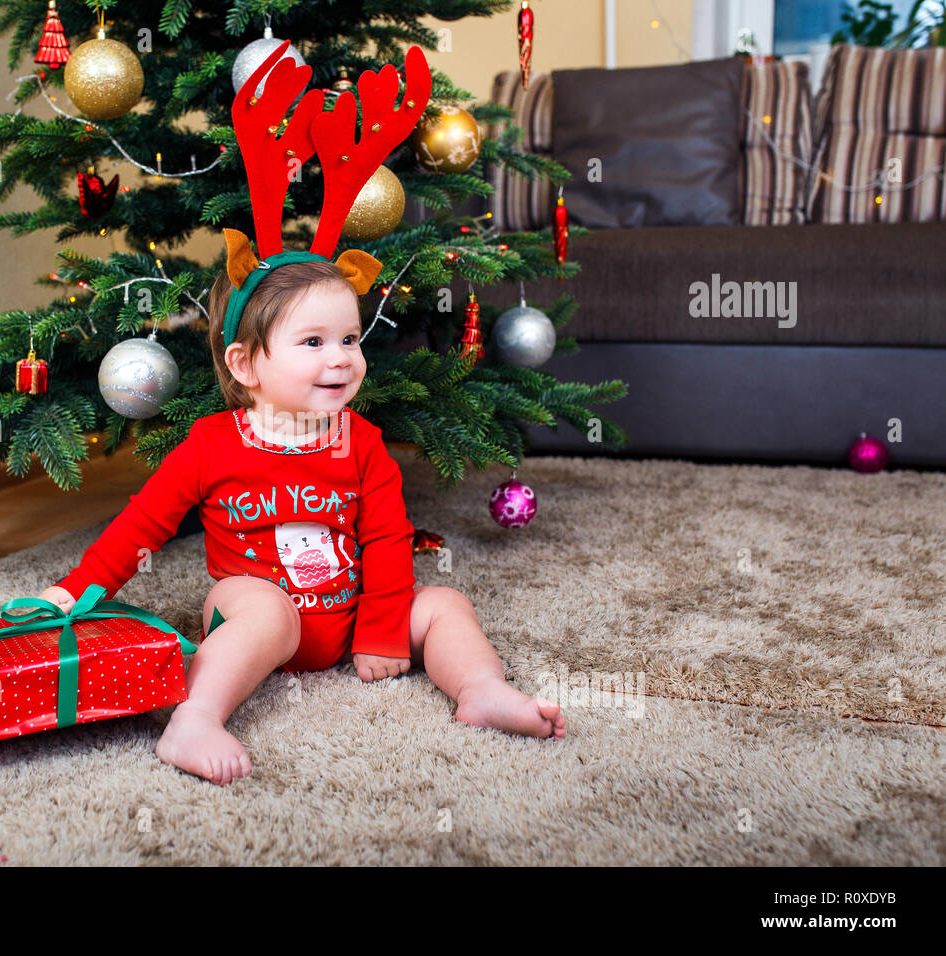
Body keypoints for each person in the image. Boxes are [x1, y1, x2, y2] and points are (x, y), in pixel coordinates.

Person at [38, 256, 565, 787]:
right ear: (245, 366)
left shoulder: (360, 442)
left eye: (350, 339)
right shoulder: (211, 445)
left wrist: (381, 631)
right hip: (250, 610)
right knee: (268, 611)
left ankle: (482, 689)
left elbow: (386, 538)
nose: (340, 359)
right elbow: (142, 525)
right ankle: (194, 719)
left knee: (445, 606)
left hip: (349, 614)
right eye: (313, 342)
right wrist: (76, 590)